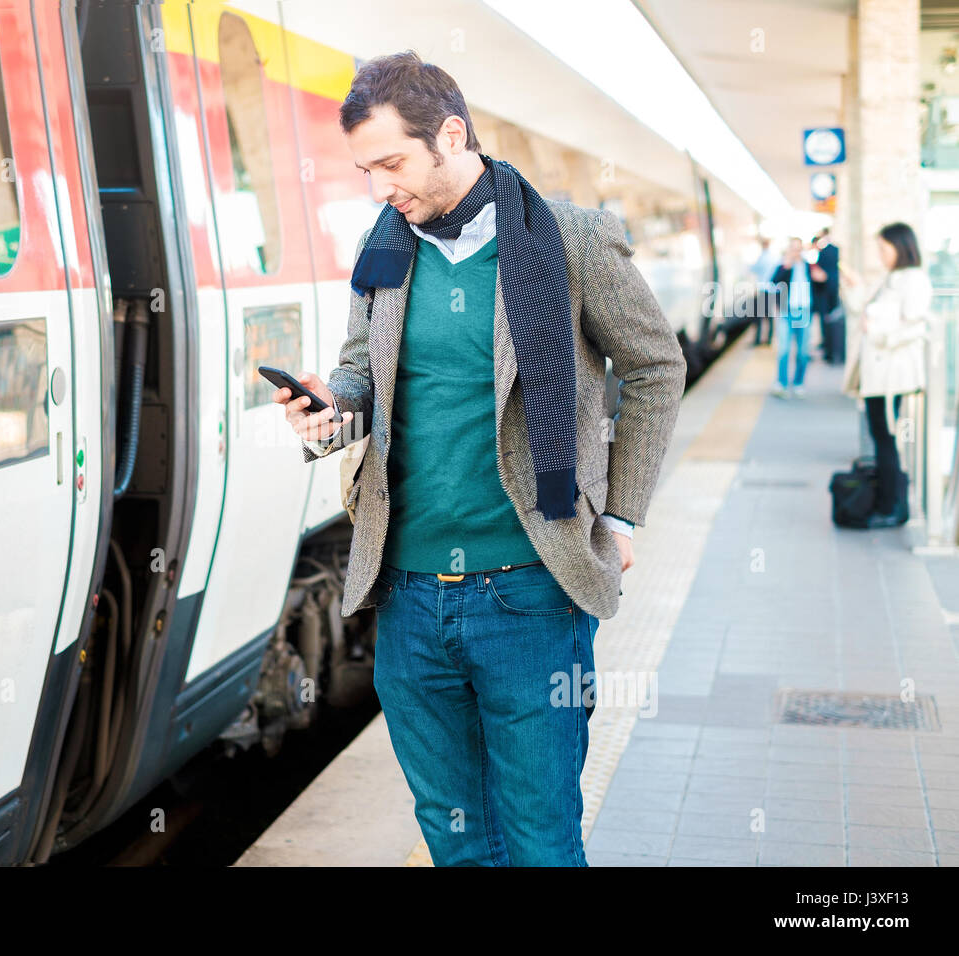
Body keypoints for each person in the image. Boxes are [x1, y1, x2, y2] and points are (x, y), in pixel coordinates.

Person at [274, 51, 686, 866]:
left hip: (530, 592)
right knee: (454, 838)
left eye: (392, 162)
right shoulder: (384, 244)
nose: (382, 185)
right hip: (408, 598)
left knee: (539, 839)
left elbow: (654, 367)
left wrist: (626, 511)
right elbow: (364, 368)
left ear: (451, 135)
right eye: (367, 169)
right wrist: (331, 412)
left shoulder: (569, 239)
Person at [841, 222, 933, 528]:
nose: (880, 254)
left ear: (901, 246)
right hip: (879, 376)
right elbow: (863, 312)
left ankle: (893, 506)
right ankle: (888, 503)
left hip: (894, 377)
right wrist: (853, 286)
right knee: (882, 437)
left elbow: (915, 325)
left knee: (887, 439)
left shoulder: (914, 281)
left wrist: (878, 330)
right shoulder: (891, 278)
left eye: (884, 248)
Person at [769, 236, 814, 398]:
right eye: (793, 248)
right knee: (784, 350)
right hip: (786, 311)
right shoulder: (784, 265)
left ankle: (798, 383)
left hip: (804, 312)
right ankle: (781, 383)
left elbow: (820, 283)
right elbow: (774, 281)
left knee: (803, 351)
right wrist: (787, 265)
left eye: (798, 248)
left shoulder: (808, 266)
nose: (795, 251)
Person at [810, 227, 843, 364]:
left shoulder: (823, 253)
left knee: (826, 324)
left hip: (824, 294)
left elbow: (821, 276)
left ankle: (828, 352)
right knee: (831, 323)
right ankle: (830, 350)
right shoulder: (836, 250)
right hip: (832, 293)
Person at [749, 236, 781, 346]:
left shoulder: (762, 257)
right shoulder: (775, 257)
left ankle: (758, 339)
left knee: (759, 316)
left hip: (763, 289)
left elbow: (753, 269)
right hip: (773, 289)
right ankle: (769, 339)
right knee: (770, 316)